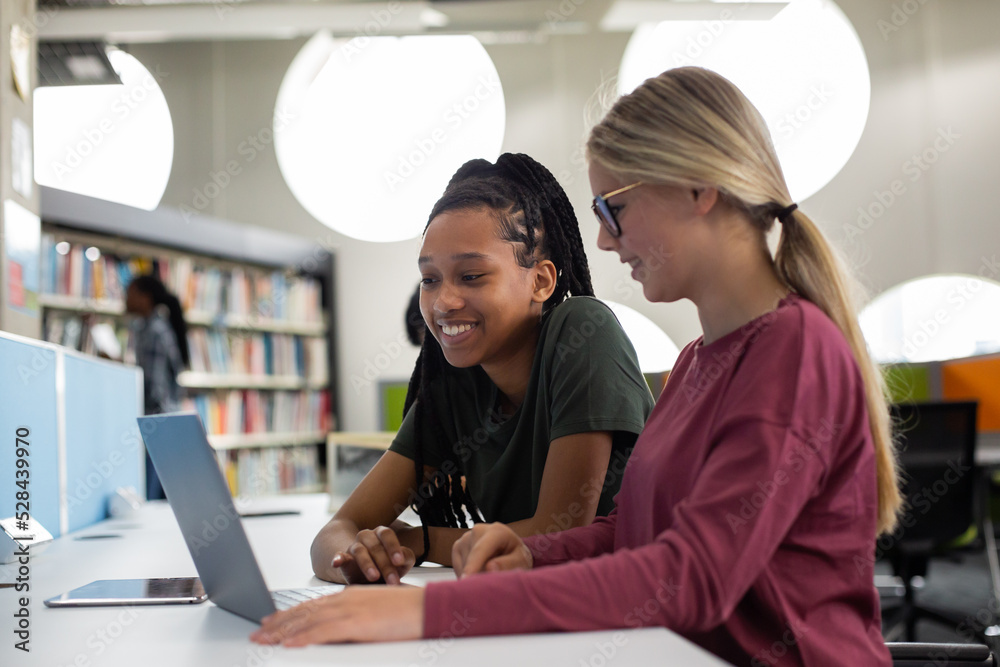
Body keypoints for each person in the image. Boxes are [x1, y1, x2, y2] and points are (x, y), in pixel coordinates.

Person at [252, 68, 903, 666]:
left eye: (612, 207)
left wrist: (430, 609)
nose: (604, 239)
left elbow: (691, 576)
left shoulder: (793, 352)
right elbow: (640, 529)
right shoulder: (698, 360)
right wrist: (532, 550)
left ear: (698, 189)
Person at [309, 153, 654, 586]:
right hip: (525, 609)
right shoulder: (454, 381)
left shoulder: (583, 330)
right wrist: (363, 556)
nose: (442, 302)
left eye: (471, 276)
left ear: (541, 282)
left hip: (623, 606)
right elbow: (334, 533)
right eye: (430, 279)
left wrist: (419, 542)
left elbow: (561, 535)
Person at [125, 273, 189, 500]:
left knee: (151, 497)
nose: (125, 299)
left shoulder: (153, 331)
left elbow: (152, 385)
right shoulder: (156, 327)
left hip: (155, 422)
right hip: (165, 421)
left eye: (130, 293)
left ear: (145, 298)